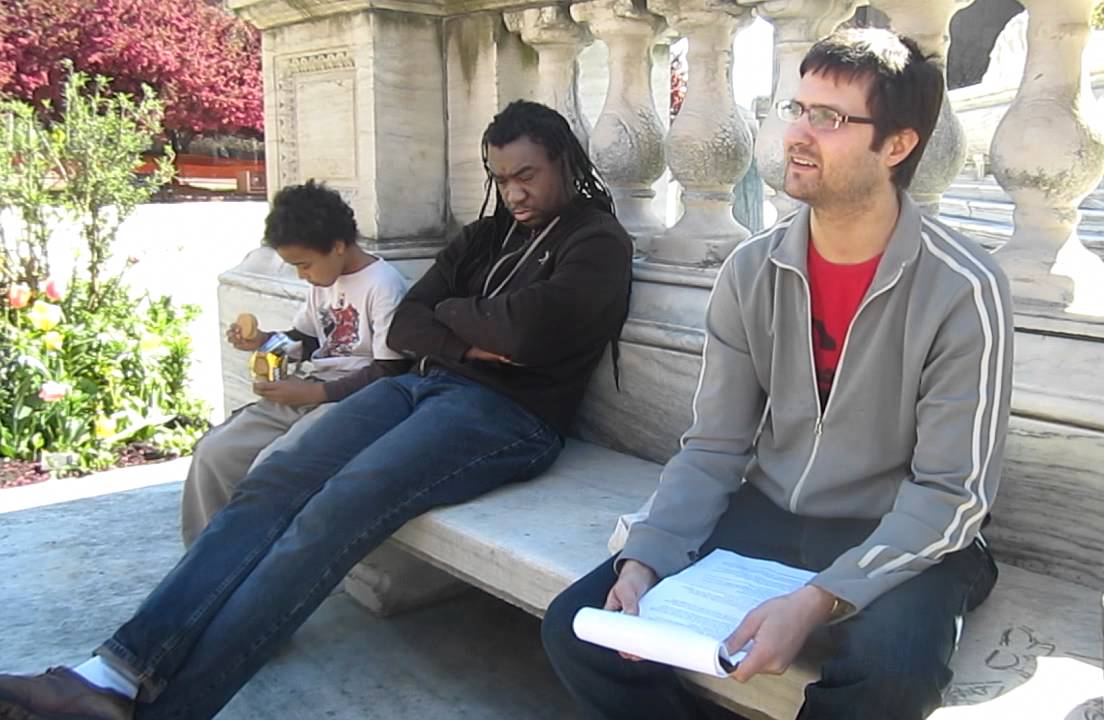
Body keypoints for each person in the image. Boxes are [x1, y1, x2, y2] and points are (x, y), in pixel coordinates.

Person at [0, 100, 633, 720]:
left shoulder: (598, 241)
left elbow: (525, 335)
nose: (514, 192)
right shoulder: (486, 235)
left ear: (564, 161)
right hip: (419, 387)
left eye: (527, 175)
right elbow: (407, 323)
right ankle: (110, 673)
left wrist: (452, 317)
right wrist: (468, 335)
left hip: (508, 415)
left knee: (336, 508)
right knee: (273, 480)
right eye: (501, 177)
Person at [541, 28, 1013, 720]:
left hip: (903, 530)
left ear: (897, 145)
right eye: (797, 108)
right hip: (770, 513)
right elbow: (714, 447)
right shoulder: (751, 270)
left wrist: (817, 601)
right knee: (583, 631)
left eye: (829, 118)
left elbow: (952, 494)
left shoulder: (963, 287)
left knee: (890, 676)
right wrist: (645, 559)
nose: (797, 134)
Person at [181, 180, 410, 547]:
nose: (302, 275)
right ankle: (205, 555)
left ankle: (257, 560)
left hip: (352, 403)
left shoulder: (383, 286)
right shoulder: (324, 280)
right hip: (309, 391)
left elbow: (391, 370)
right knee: (215, 452)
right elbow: (306, 338)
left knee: (272, 465)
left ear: (338, 245)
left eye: (304, 265)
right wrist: (263, 341)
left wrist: (315, 394)